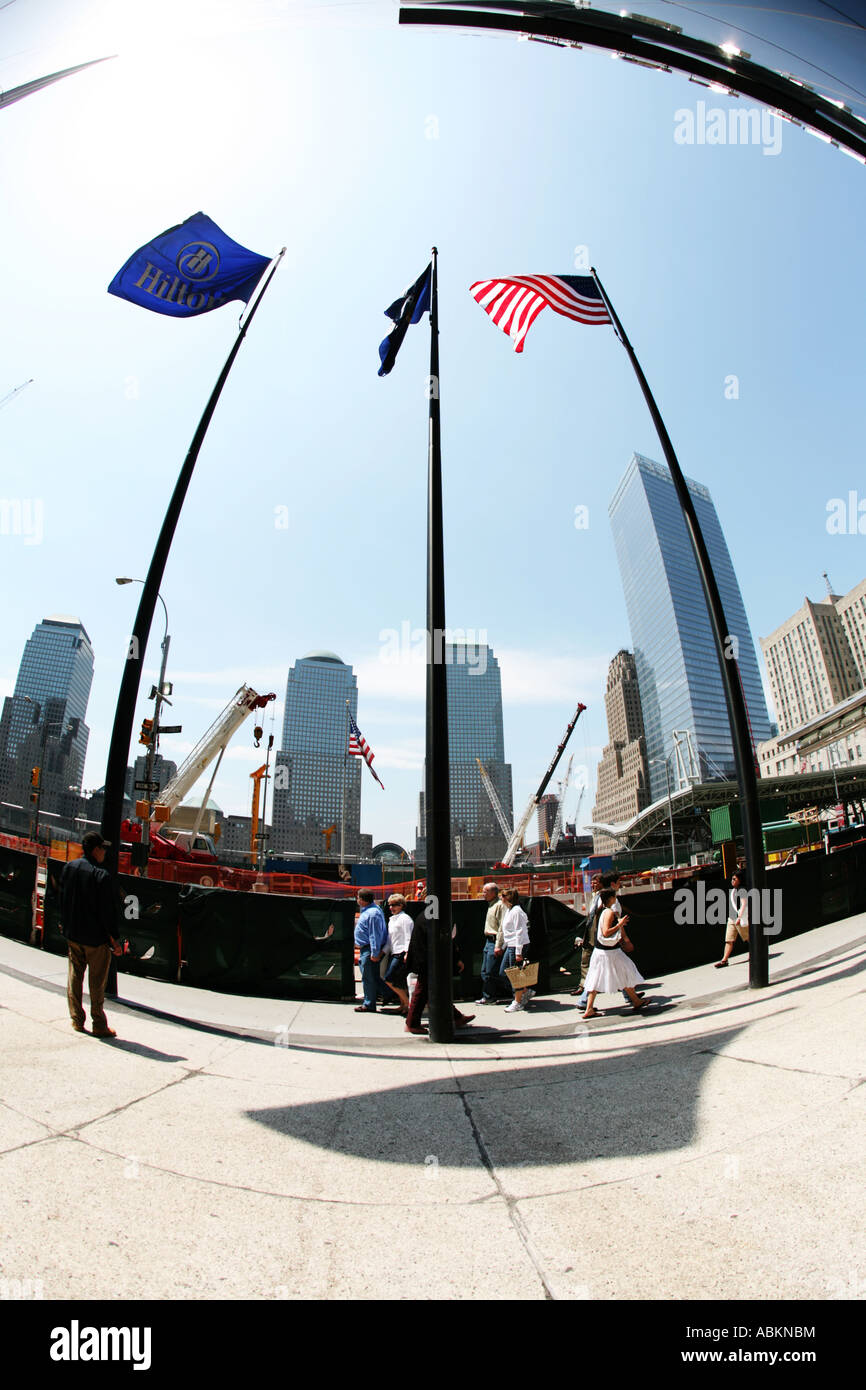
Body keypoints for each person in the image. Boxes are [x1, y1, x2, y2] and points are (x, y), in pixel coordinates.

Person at [59, 830, 122, 1037]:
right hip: (95, 940)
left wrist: (64, 925)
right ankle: (99, 1024)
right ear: (96, 850)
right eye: (103, 848)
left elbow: (62, 899)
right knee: (97, 983)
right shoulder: (101, 876)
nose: (105, 852)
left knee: (74, 978)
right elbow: (107, 911)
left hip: (74, 934)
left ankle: (77, 1020)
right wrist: (115, 939)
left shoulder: (69, 868)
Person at [581, 888, 646, 1019]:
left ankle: (589, 1008)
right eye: (614, 896)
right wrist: (620, 924)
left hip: (602, 952)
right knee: (625, 972)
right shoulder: (609, 912)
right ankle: (636, 1001)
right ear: (611, 898)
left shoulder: (601, 911)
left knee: (597, 978)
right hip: (610, 953)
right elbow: (606, 932)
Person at [404, 915, 475, 1034]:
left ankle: (456, 1016)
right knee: (422, 991)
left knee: (437, 989)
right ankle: (412, 1023)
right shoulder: (435, 917)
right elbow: (443, 938)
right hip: (430, 961)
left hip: (424, 960)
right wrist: (456, 958)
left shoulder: (424, 916)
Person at [353, 888, 389, 1012]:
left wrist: (374, 952)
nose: (357, 899)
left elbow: (375, 934)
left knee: (368, 977)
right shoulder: (369, 911)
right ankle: (389, 995)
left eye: (358, 897)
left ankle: (369, 1004)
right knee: (372, 976)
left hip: (369, 950)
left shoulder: (372, 913)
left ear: (362, 900)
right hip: (367, 949)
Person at [499, 887, 534, 1013]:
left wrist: (518, 952)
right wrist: (504, 946)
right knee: (504, 973)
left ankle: (518, 1001)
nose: (500, 899)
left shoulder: (516, 911)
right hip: (511, 945)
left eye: (502, 896)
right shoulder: (510, 910)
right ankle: (525, 991)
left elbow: (520, 932)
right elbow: (509, 932)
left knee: (515, 975)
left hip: (516, 946)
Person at [570, 872, 603, 1001]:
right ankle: (584, 986)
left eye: (596, 882)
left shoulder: (603, 897)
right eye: (592, 882)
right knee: (585, 960)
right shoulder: (595, 897)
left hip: (598, 935)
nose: (593, 885)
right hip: (590, 934)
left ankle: (586, 995)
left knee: (607, 962)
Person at [381, 892, 413, 1015]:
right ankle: (403, 1005)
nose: (391, 908)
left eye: (395, 905)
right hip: (394, 952)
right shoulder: (392, 920)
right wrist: (383, 952)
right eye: (390, 905)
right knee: (398, 981)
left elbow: (408, 937)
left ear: (401, 905)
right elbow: (390, 940)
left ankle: (408, 1003)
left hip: (401, 953)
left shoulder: (405, 919)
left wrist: (407, 953)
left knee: (389, 979)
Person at [476, 881, 506, 1004]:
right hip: (488, 942)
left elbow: (501, 927)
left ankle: (489, 996)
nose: (483, 894)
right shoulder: (491, 905)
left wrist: (498, 945)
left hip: (494, 942)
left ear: (493, 893)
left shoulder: (500, 905)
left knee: (490, 971)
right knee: (485, 971)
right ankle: (488, 995)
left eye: (485, 891)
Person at [715, 872, 749, 967]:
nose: (732, 881)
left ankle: (755, 953)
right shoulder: (733, 891)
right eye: (732, 879)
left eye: (734, 879)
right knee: (729, 939)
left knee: (748, 938)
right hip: (731, 918)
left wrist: (739, 917)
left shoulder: (742, 890)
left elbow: (744, 904)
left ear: (739, 880)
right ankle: (724, 960)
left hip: (738, 918)